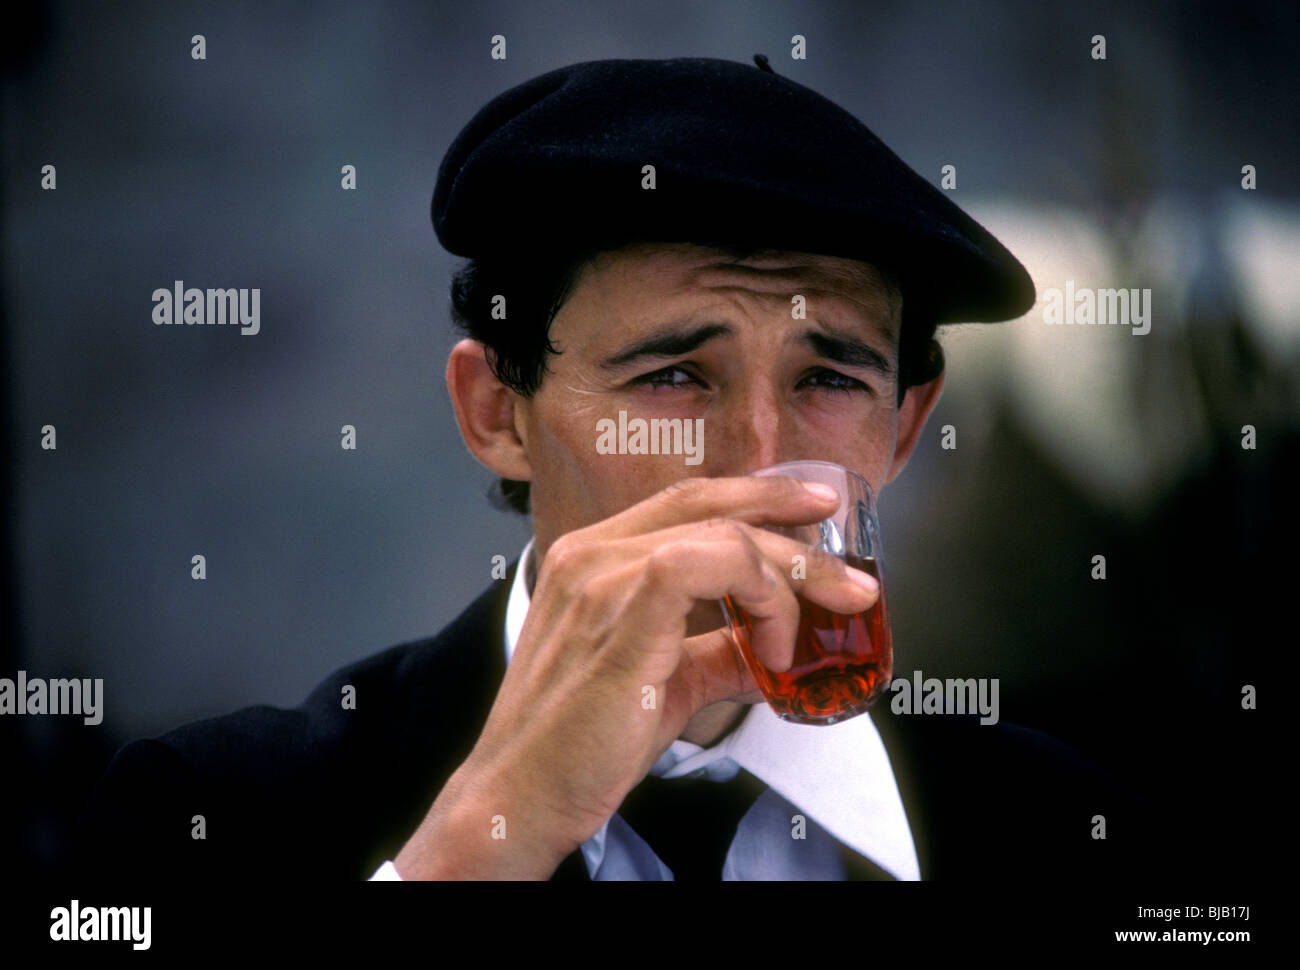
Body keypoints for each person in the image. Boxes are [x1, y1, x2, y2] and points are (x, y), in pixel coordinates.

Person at [75, 56, 1166, 881]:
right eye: (675, 377)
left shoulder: (1070, 829)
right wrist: (477, 842)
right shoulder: (213, 814)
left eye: (828, 379)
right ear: (499, 412)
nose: (758, 457)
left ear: (903, 426)